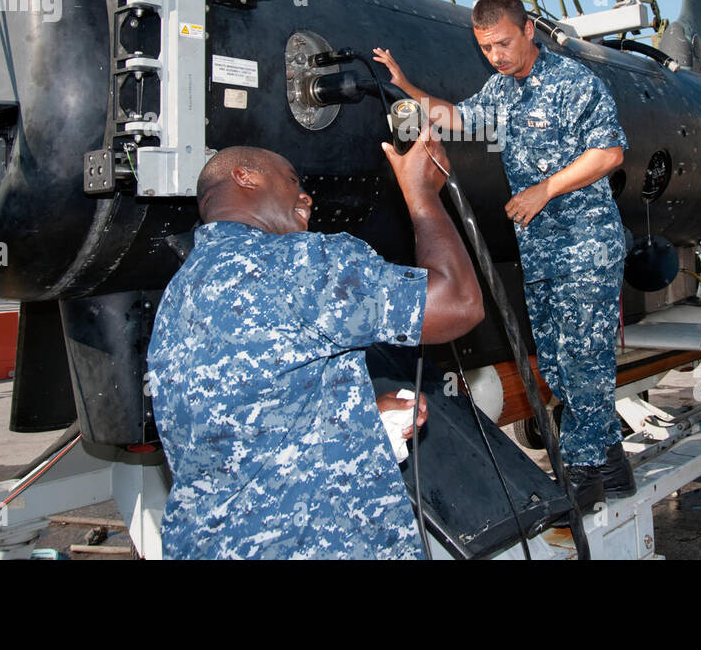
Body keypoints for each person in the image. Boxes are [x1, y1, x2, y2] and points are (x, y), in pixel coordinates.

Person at [146, 127, 483, 559]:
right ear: (245, 177)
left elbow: (239, 419)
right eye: (291, 180)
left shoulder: (179, 294)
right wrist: (421, 193)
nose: (306, 196)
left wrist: (353, 415)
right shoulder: (298, 262)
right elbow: (458, 303)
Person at [373, 0, 634, 508]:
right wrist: (406, 88)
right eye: (487, 47)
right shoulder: (502, 90)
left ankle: (581, 477)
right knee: (558, 365)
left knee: (584, 359)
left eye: (503, 43)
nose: (496, 55)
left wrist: (544, 189)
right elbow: (459, 119)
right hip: (542, 252)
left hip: (586, 247)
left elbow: (609, 154)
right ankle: (613, 463)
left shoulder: (573, 83)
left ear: (528, 30)